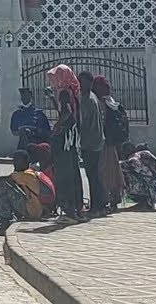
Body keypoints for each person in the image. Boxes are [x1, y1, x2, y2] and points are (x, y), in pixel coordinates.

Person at [46, 64, 85, 223]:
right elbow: (66, 111)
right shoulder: (72, 92)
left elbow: (66, 113)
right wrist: (52, 99)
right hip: (72, 139)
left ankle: (68, 211)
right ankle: (77, 209)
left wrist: (57, 126)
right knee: (73, 172)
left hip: (65, 140)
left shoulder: (63, 93)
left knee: (64, 174)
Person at [0, 150, 55, 232]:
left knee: (2, 186)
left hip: (34, 211)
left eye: (17, 161)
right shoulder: (33, 172)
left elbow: (6, 179)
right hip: (43, 209)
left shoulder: (25, 175)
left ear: (26, 162)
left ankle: (5, 219)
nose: (15, 164)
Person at [92, 75, 127, 212]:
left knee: (105, 171)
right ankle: (113, 199)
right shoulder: (111, 102)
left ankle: (107, 199)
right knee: (112, 169)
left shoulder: (101, 103)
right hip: (111, 142)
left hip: (103, 143)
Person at [75, 71, 108, 216]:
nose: (81, 84)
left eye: (83, 81)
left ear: (90, 82)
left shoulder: (87, 99)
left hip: (91, 142)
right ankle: (100, 205)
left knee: (93, 175)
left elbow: (82, 123)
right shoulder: (91, 97)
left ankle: (98, 207)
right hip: (96, 141)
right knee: (95, 175)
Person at [119, 142, 156, 210]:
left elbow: (146, 174)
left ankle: (145, 202)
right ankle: (147, 202)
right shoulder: (142, 154)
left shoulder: (133, 160)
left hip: (153, 192)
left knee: (125, 174)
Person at [10, 88, 51, 152]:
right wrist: (21, 131)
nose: (24, 97)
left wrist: (34, 130)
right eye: (22, 95)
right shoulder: (17, 114)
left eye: (26, 94)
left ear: (30, 95)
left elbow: (46, 131)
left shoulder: (38, 113)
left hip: (36, 144)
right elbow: (14, 131)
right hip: (23, 145)